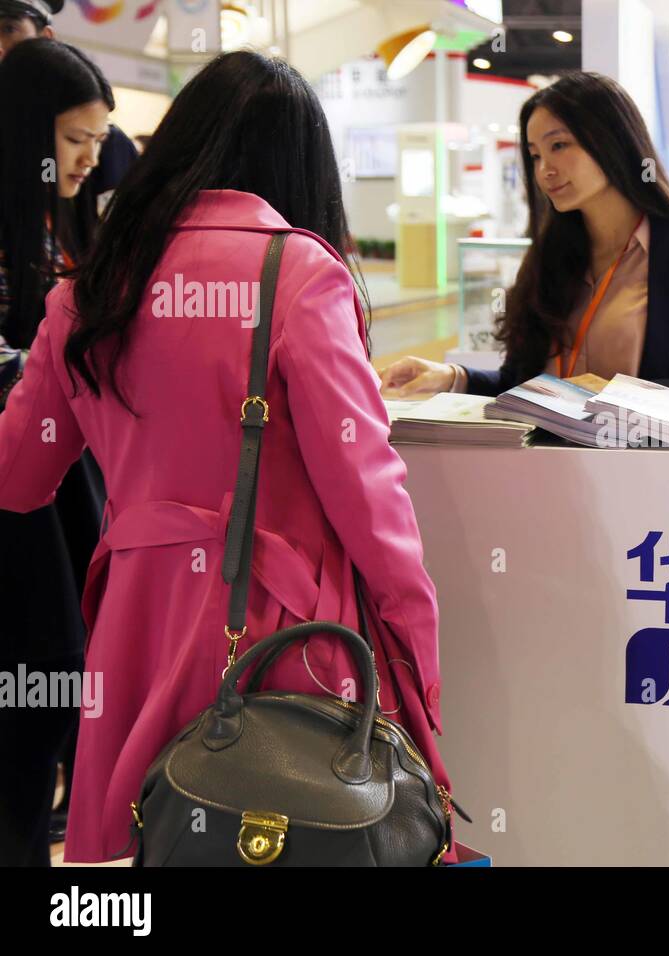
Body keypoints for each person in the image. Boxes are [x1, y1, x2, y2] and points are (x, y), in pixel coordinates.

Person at [0, 50, 455, 864]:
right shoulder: (299, 274)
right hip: (278, 624)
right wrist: (415, 636)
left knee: (165, 842)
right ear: (300, 168)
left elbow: (17, 478)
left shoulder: (89, 286)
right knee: (282, 829)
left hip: (135, 625)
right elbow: (367, 490)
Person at [378, 71, 669, 403]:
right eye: (535, 155)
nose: (545, 169)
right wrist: (453, 377)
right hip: (544, 475)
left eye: (559, 146)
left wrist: (616, 396)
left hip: (641, 476)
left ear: (610, 141)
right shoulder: (550, 257)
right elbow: (526, 387)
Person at [0, 36, 112, 867]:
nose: (88, 159)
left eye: (99, 141)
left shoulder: (63, 224)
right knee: (36, 678)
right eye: (75, 139)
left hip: (70, 484)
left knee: (64, 677)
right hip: (18, 499)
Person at [0, 1, 139, 205]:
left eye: (9, 29)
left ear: (46, 38)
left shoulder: (110, 149)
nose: (90, 159)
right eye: (75, 139)